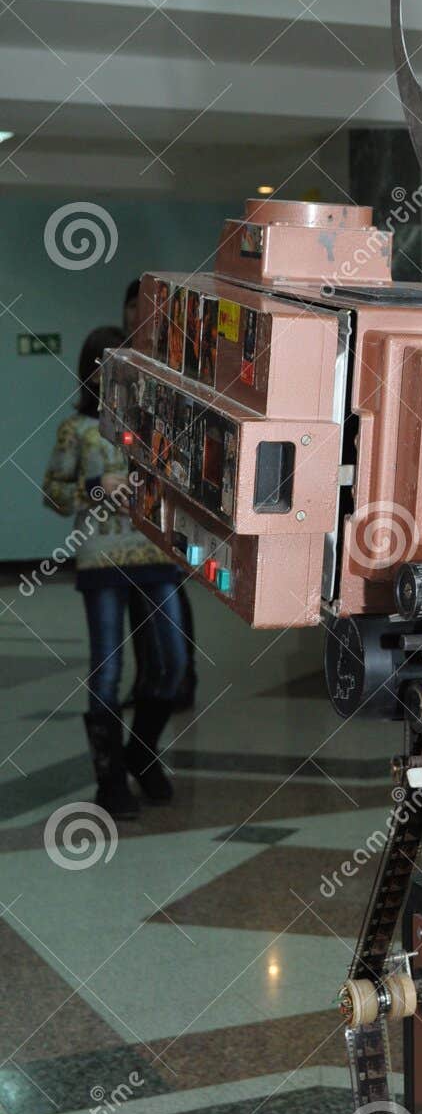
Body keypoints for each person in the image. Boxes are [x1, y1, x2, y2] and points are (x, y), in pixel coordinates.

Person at [42, 325, 187, 818]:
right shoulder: (77, 430)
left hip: (157, 557)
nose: (115, 375)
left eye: (126, 365)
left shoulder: (158, 423)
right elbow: (53, 495)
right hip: (102, 559)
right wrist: (97, 485)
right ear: (90, 372)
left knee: (172, 666)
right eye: (105, 366)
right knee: (109, 669)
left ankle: (140, 756)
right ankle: (110, 781)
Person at [124, 277, 197, 712]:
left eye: (143, 305)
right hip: (128, 514)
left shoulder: (167, 358)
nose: (137, 314)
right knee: (139, 603)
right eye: (132, 306)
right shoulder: (126, 356)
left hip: (160, 501)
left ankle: (180, 676)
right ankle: (149, 678)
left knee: (171, 598)